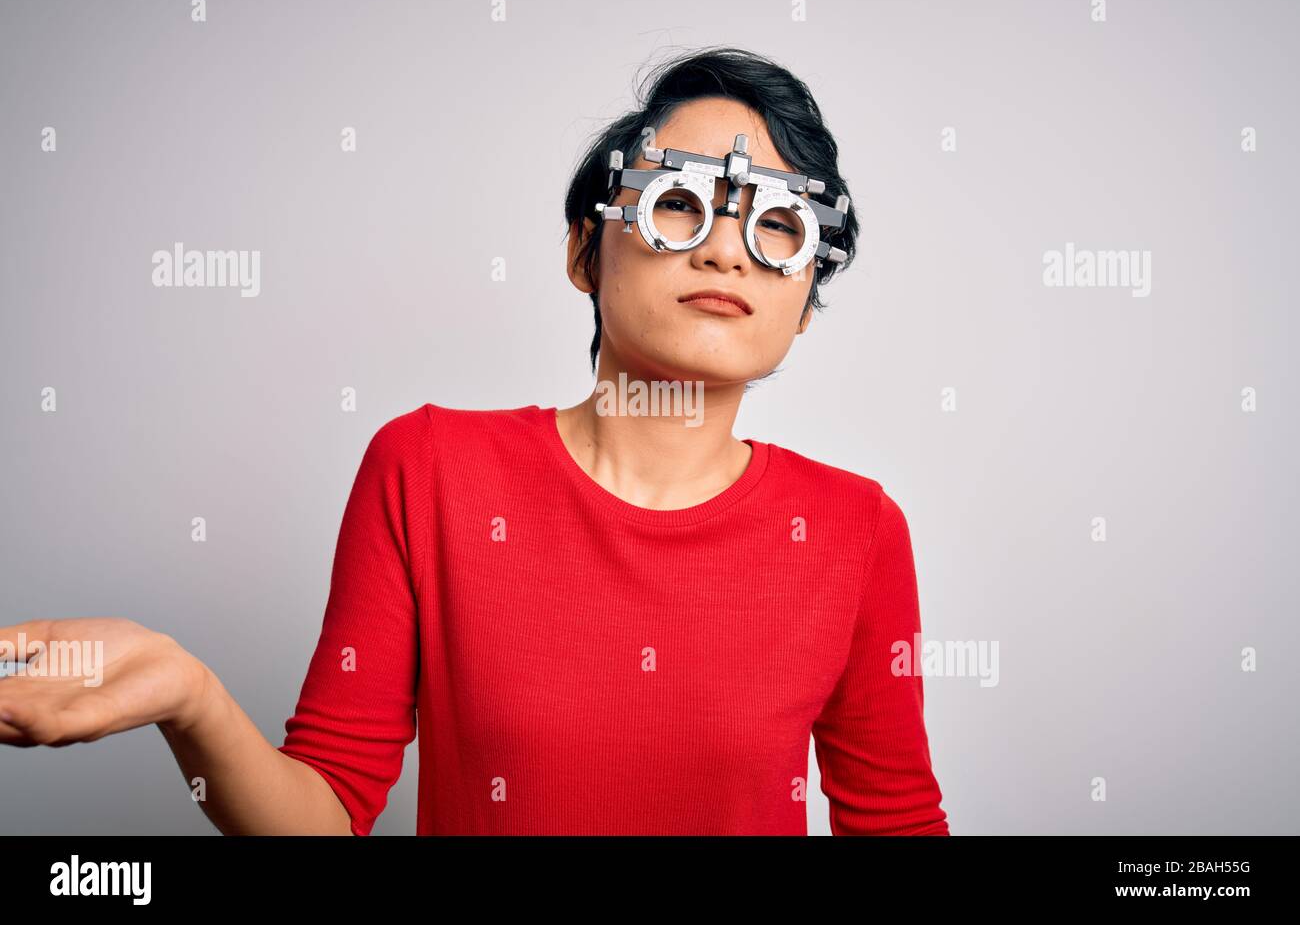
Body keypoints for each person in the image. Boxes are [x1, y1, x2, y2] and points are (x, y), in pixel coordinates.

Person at [0, 47, 949, 836]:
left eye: (779, 227)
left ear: (805, 305)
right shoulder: (428, 471)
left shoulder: (854, 530)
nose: (726, 249)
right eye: (679, 202)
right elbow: (325, 810)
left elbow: (897, 824)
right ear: (584, 249)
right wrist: (191, 696)